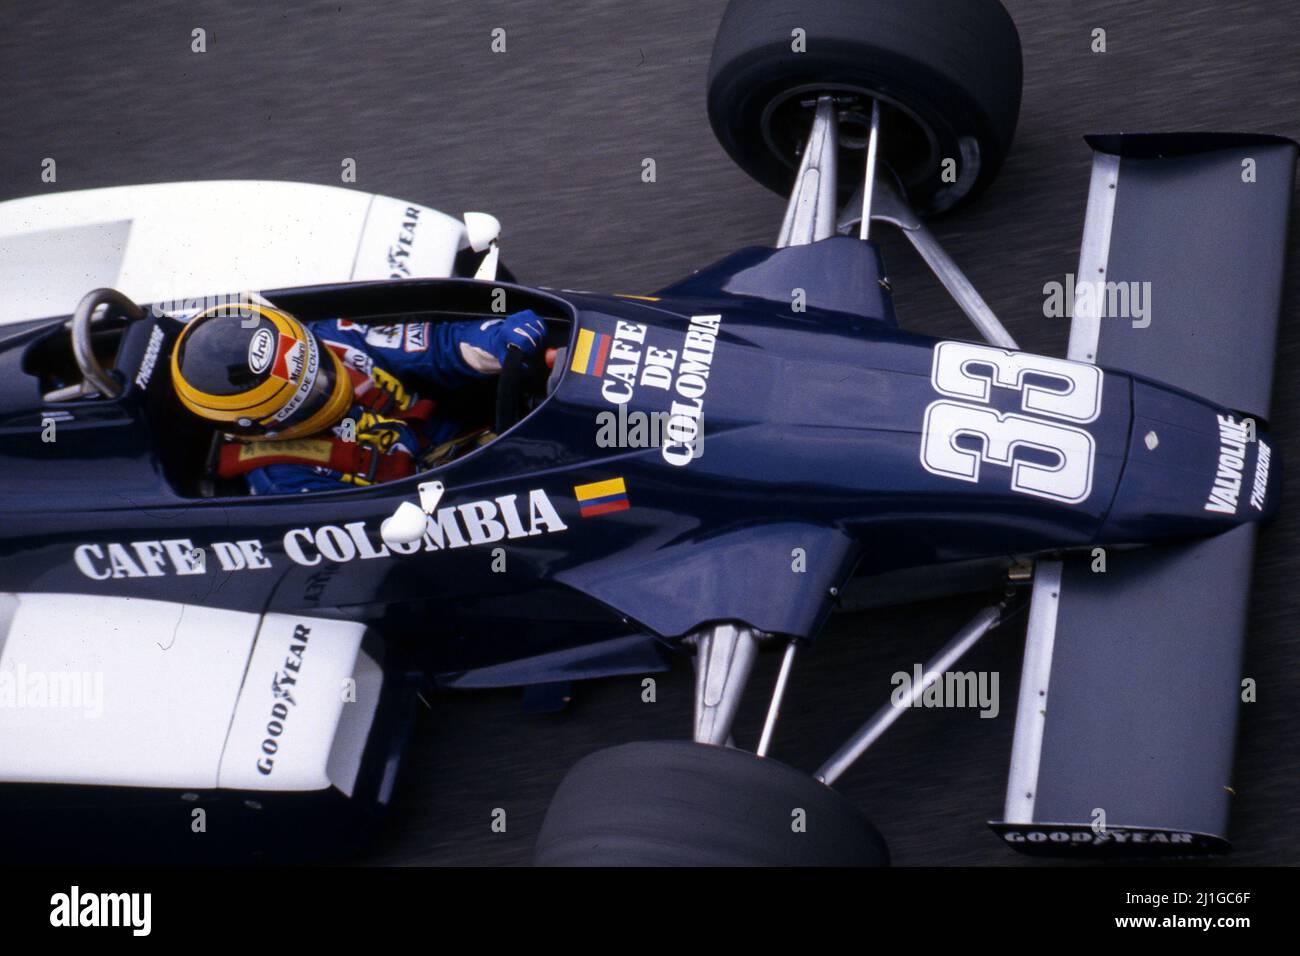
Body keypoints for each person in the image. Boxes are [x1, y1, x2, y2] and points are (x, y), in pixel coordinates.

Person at [169, 300, 546, 493]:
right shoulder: (287, 481)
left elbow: (437, 347)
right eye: (310, 395)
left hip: (476, 436)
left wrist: (497, 340)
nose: (326, 384)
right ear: (264, 429)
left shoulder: (337, 339)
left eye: (319, 367)